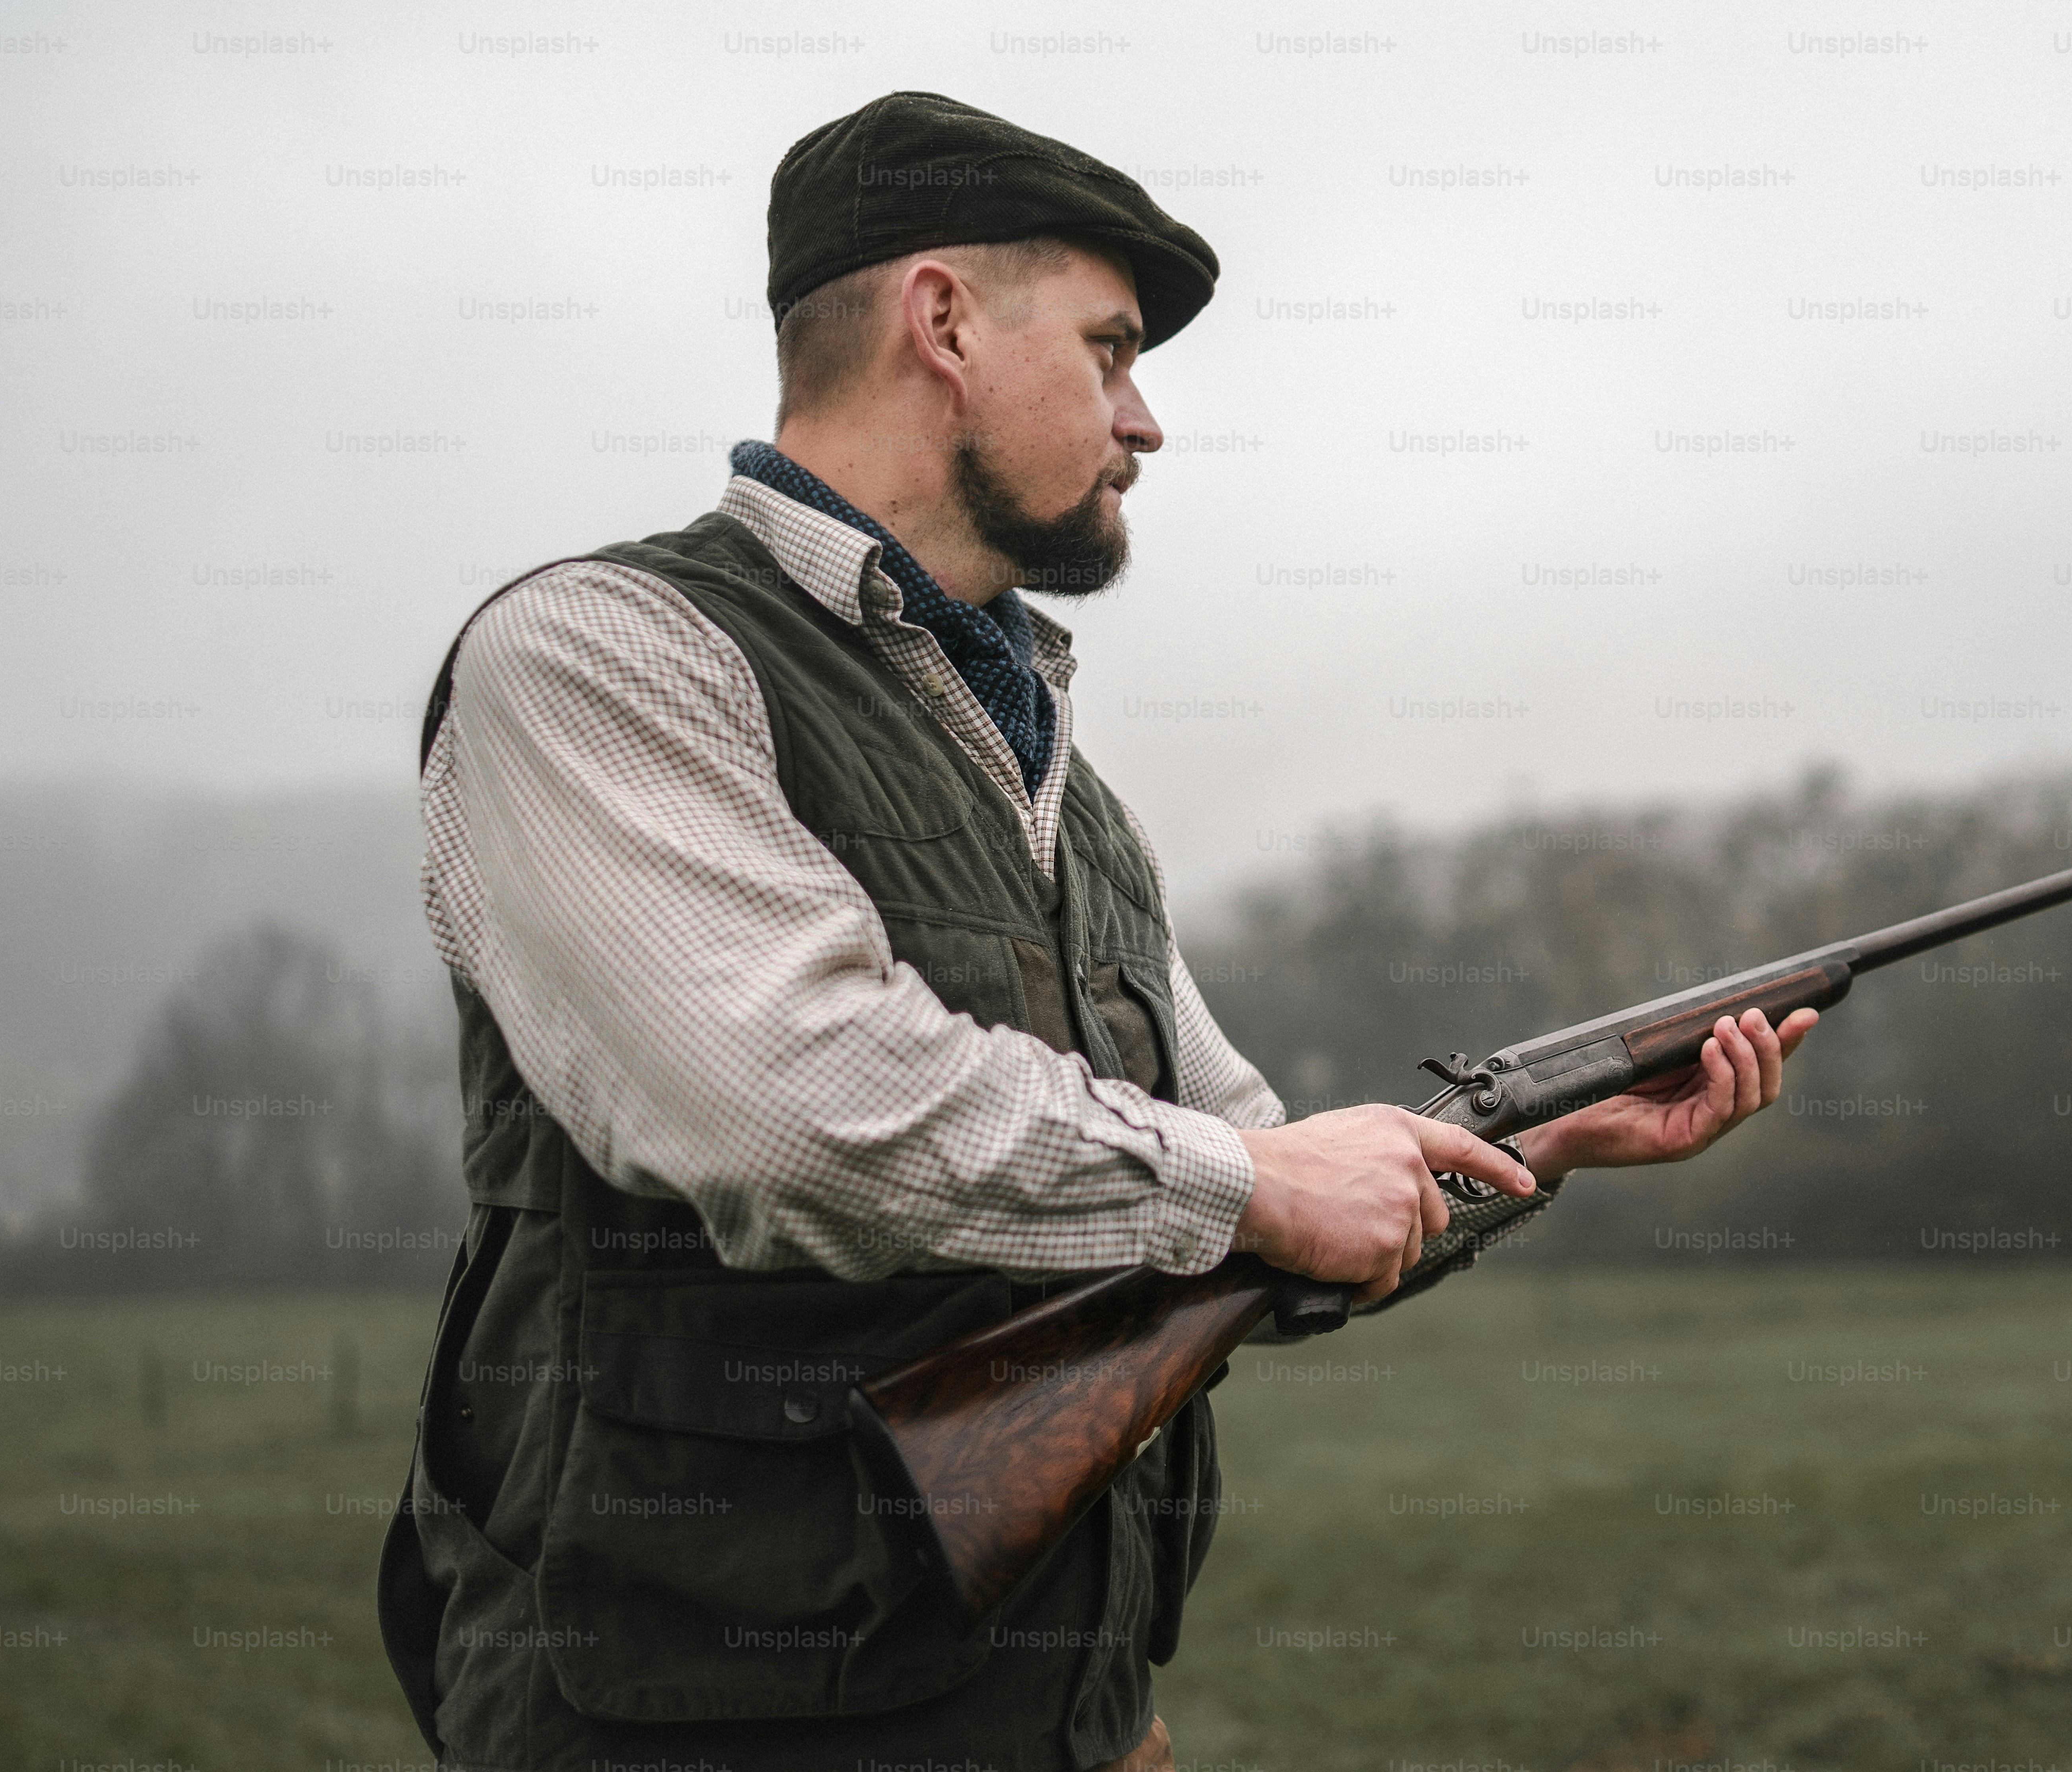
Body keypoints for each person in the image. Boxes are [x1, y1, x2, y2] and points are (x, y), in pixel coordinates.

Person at [376, 92, 1816, 1772]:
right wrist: (1260, 1186)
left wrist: (1535, 1143)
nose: (1146, 422)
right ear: (942, 323)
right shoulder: (605, 655)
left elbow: (1249, 1181)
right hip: (690, 1721)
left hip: (1059, 1708)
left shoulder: (1072, 794)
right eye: (1110, 350)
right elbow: (796, 1105)